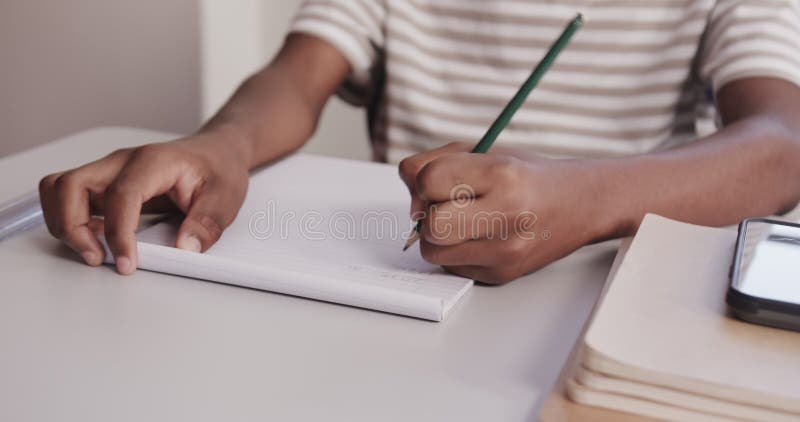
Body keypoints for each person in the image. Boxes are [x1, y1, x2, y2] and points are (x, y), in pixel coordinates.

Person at [39, 1, 800, 283]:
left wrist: (591, 197)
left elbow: (783, 140)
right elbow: (298, 77)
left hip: (606, 294)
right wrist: (224, 144)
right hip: (408, 290)